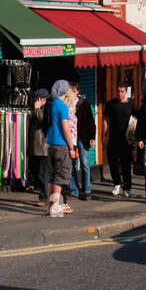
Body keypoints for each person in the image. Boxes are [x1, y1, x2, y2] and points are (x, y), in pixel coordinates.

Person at [44, 79, 77, 217]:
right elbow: (65, 128)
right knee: (61, 175)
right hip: (61, 144)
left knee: (51, 176)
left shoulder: (51, 104)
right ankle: (56, 206)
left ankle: (50, 206)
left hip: (50, 143)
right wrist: (71, 147)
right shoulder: (62, 106)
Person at [102, 85, 135, 198]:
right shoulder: (111, 104)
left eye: (122, 91)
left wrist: (134, 136)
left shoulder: (131, 104)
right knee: (112, 162)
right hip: (113, 138)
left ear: (126, 92)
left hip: (126, 139)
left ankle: (127, 187)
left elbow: (136, 120)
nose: (120, 93)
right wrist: (104, 135)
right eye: (118, 91)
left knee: (126, 164)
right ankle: (116, 183)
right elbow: (106, 120)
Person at [26, 88, 51, 205]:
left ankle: (44, 197)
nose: (33, 100)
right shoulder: (35, 110)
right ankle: (43, 194)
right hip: (34, 147)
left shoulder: (46, 109)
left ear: (40, 99)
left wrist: (37, 109)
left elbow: (44, 121)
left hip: (43, 148)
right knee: (36, 172)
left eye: (35, 98)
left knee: (42, 173)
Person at [71, 85, 94, 201]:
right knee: (71, 164)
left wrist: (92, 137)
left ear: (77, 91)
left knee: (85, 163)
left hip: (82, 137)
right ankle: (74, 190)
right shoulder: (67, 103)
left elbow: (91, 120)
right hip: (71, 137)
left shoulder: (84, 103)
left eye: (73, 90)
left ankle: (87, 190)